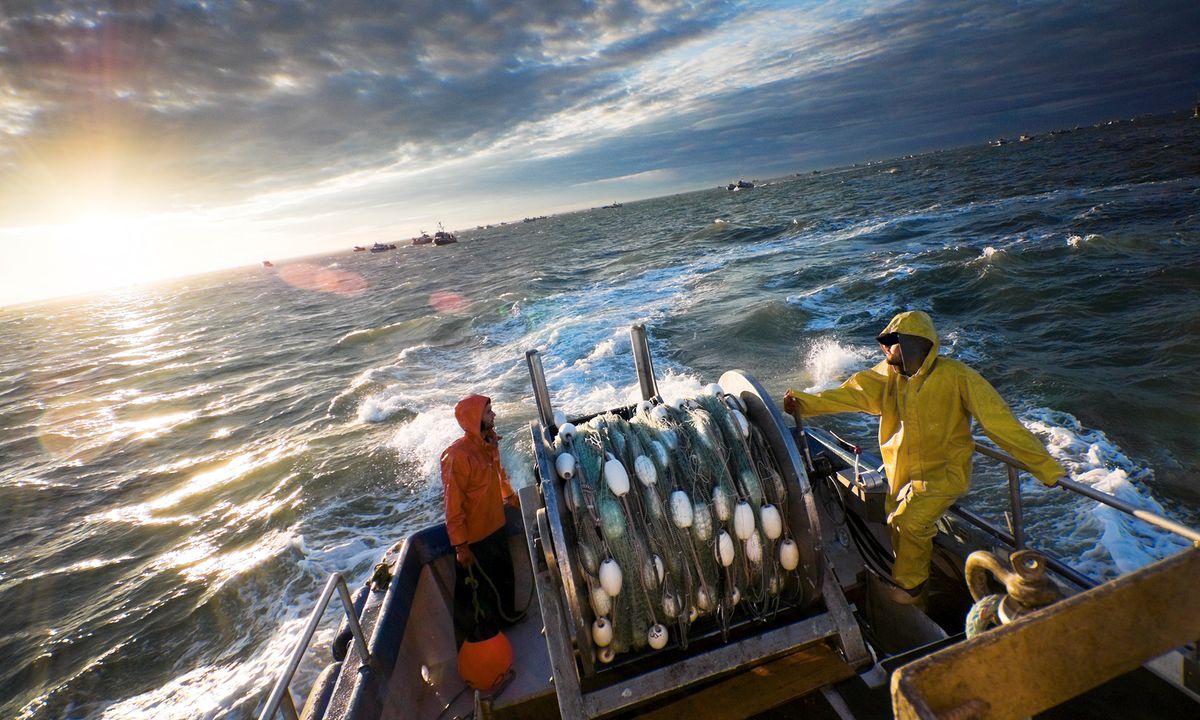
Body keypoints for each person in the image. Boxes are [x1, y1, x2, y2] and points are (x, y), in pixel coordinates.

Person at [784, 310, 1065, 603]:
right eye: (888, 346)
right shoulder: (886, 377)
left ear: (916, 346)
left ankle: (912, 587)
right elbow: (847, 395)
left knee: (909, 522)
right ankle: (920, 601)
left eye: (896, 346)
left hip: (944, 473)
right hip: (900, 471)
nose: (890, 353)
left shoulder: (957, 377)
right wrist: (803, 403)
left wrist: (1045, 468)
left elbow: (1000, 423)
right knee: (895, 522)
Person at [441, 394, 520, 644]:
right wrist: (460, 545)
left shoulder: (489, 444)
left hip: (496, 526)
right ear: (475, 419)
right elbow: (452, 506)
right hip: (474, 538)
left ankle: (507, 620)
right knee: (473, 596)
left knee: (505, 579)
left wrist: (510, 496)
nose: (493, 415)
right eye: (488, 412)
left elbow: (499, 474)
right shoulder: (457, 456)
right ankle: (470, 646)